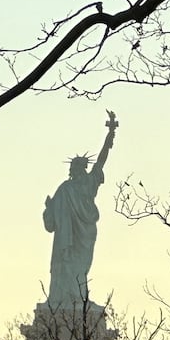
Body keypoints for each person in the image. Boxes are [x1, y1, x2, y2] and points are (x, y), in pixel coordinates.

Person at [43, 112, 117, 307]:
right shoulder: (65, 189)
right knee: (66, 263)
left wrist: (110, 135)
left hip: (85, 232)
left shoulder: (88, 183)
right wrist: (49, 209)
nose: (77, 171)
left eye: (79, 168)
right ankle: (65, 297)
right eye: (75, 169)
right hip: (69, 236)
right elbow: (51, 222)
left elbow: (101, 159)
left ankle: (78, 296)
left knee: (81, 266)